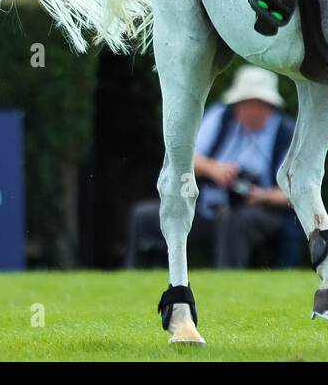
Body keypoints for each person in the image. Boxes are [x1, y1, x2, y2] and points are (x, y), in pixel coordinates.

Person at [124, 67, 300, 270]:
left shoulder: (286, 133)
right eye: (246, 104)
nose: (252, 111)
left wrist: (262, 196)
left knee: (232, 220)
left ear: (270, 107)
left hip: (259, 211)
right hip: (208, 209)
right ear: (236, 104)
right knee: (144, 216)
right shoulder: (221, 118)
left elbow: (295, 192)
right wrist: (214, 169)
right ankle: (134, 277)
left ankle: (227, 284)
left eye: (259, 105)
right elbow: (181, 159)